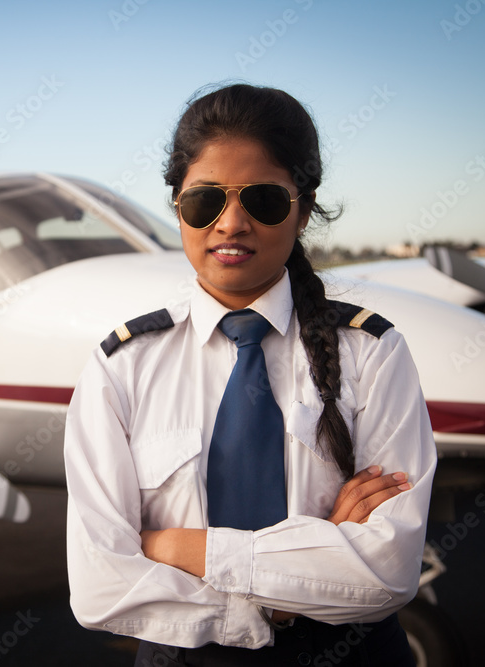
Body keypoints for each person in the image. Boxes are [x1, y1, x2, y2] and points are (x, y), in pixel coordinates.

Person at [64, 83, 436, 666]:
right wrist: (289, 593)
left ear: (303, 207)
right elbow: (99, 587)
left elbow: (387, 572)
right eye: (204, 201)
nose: (231, 223)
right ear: (178, 206)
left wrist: (173, 547)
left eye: (262, 199)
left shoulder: (373, 352)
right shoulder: (120, 367)